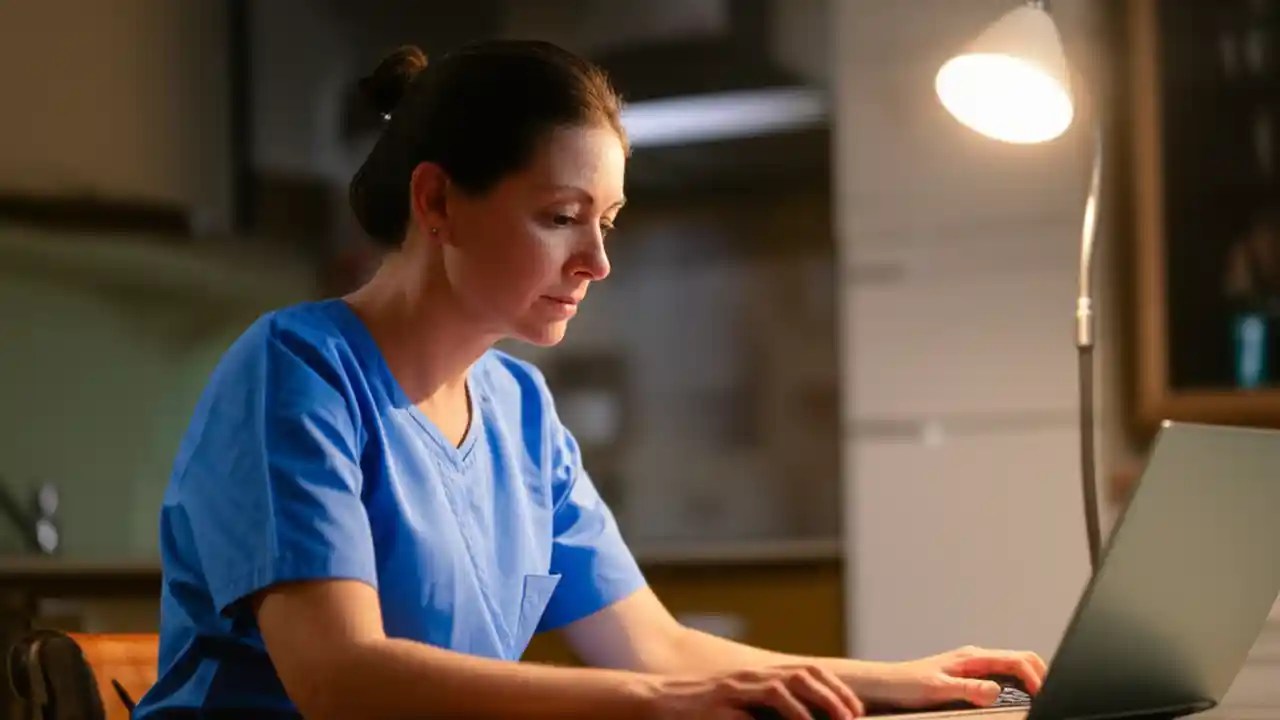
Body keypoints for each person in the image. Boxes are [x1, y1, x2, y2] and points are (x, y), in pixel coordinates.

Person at [133, 40, 1047, 720]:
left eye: (607, 219)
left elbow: (656, 646)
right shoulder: (298, 373)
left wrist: (919, 680)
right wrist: (652, 702)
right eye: (562, 216)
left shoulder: (519, 411)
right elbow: (342, 679)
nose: (596, 260)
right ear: (438, 201)